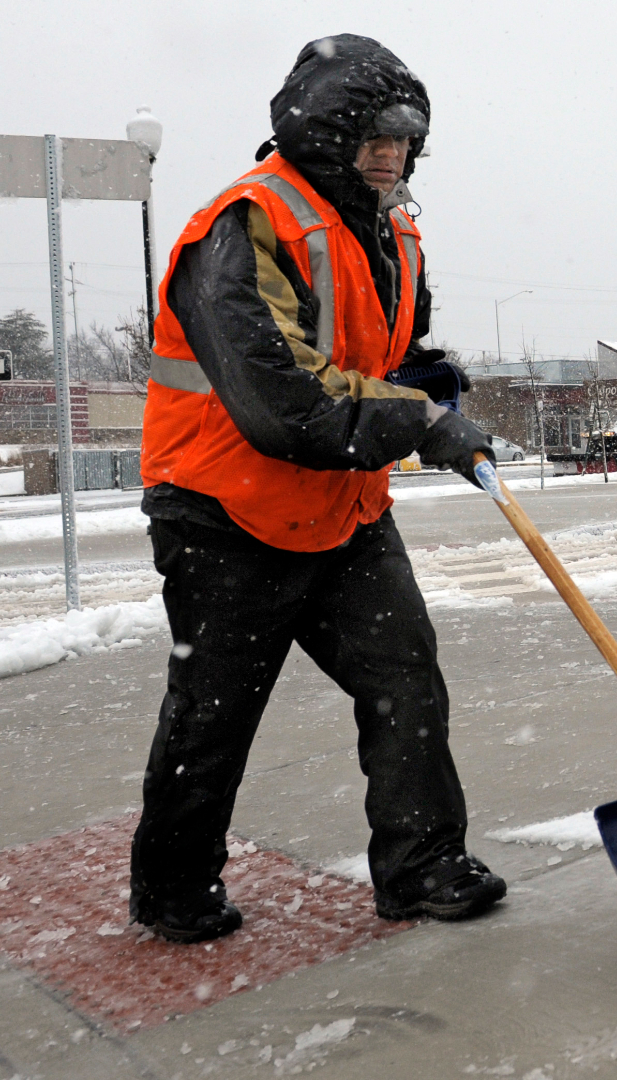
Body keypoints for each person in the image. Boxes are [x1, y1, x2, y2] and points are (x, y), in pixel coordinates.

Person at [130, 34, 504, 944]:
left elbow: (382, 354)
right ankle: (174, 886)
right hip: (224, 512)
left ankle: (422, 865)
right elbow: (285, 404)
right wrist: (420, 423)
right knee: (215, 716)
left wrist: (427, 382)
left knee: (405, 680)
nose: (392, 155)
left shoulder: (393, 230)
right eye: (375, 136)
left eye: (406, 140)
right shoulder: (245, 225)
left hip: (344, 509)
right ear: (322, 134)